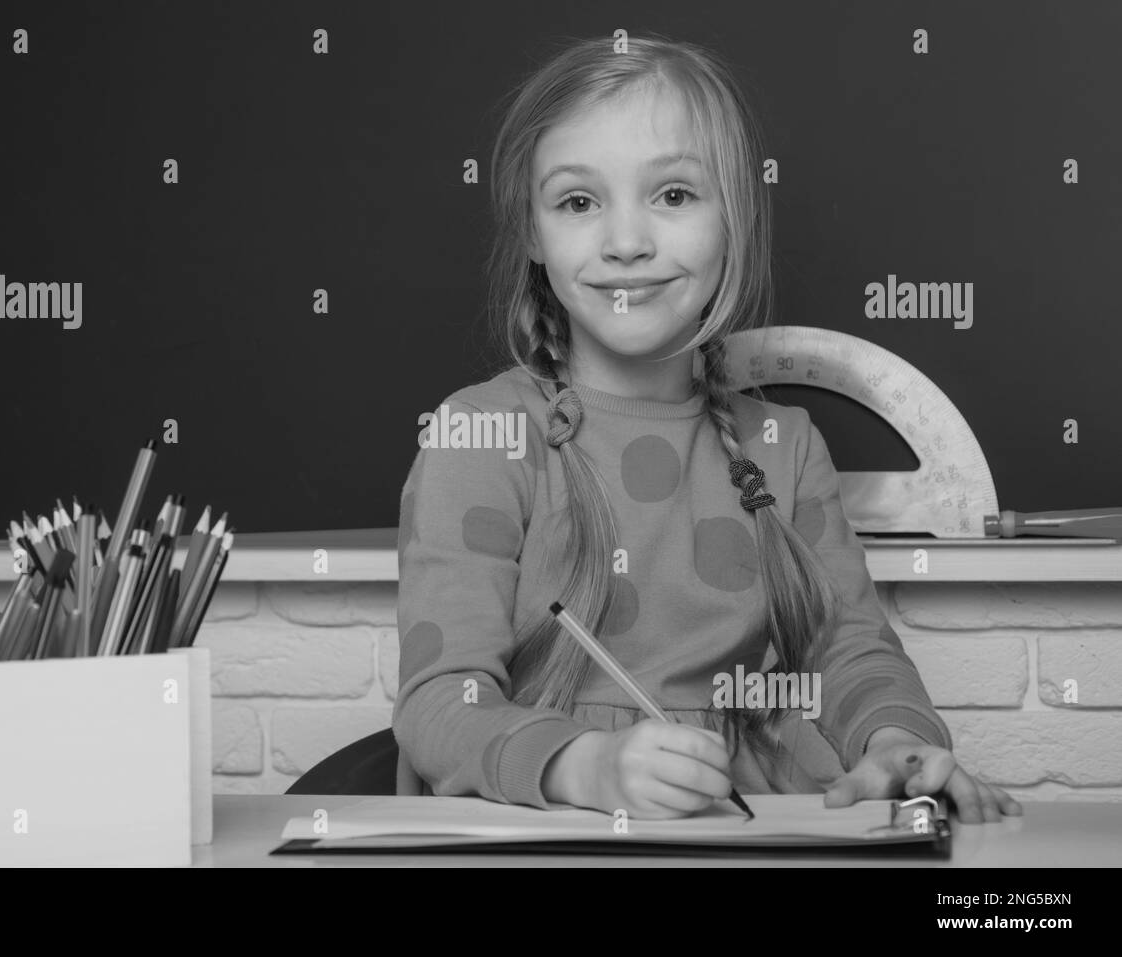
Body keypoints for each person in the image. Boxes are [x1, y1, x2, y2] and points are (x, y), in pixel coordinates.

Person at [394, 34, 1021, 824]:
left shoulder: (785, 446)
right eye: (578, 202)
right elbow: (440, 703)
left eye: (675, 196)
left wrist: (894, 742)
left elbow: (851, 654)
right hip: (548, 834)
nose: (627, 243)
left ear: (734, 218)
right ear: (531, 232)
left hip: (750, 826)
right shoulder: (479, 436)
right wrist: (582, 767)